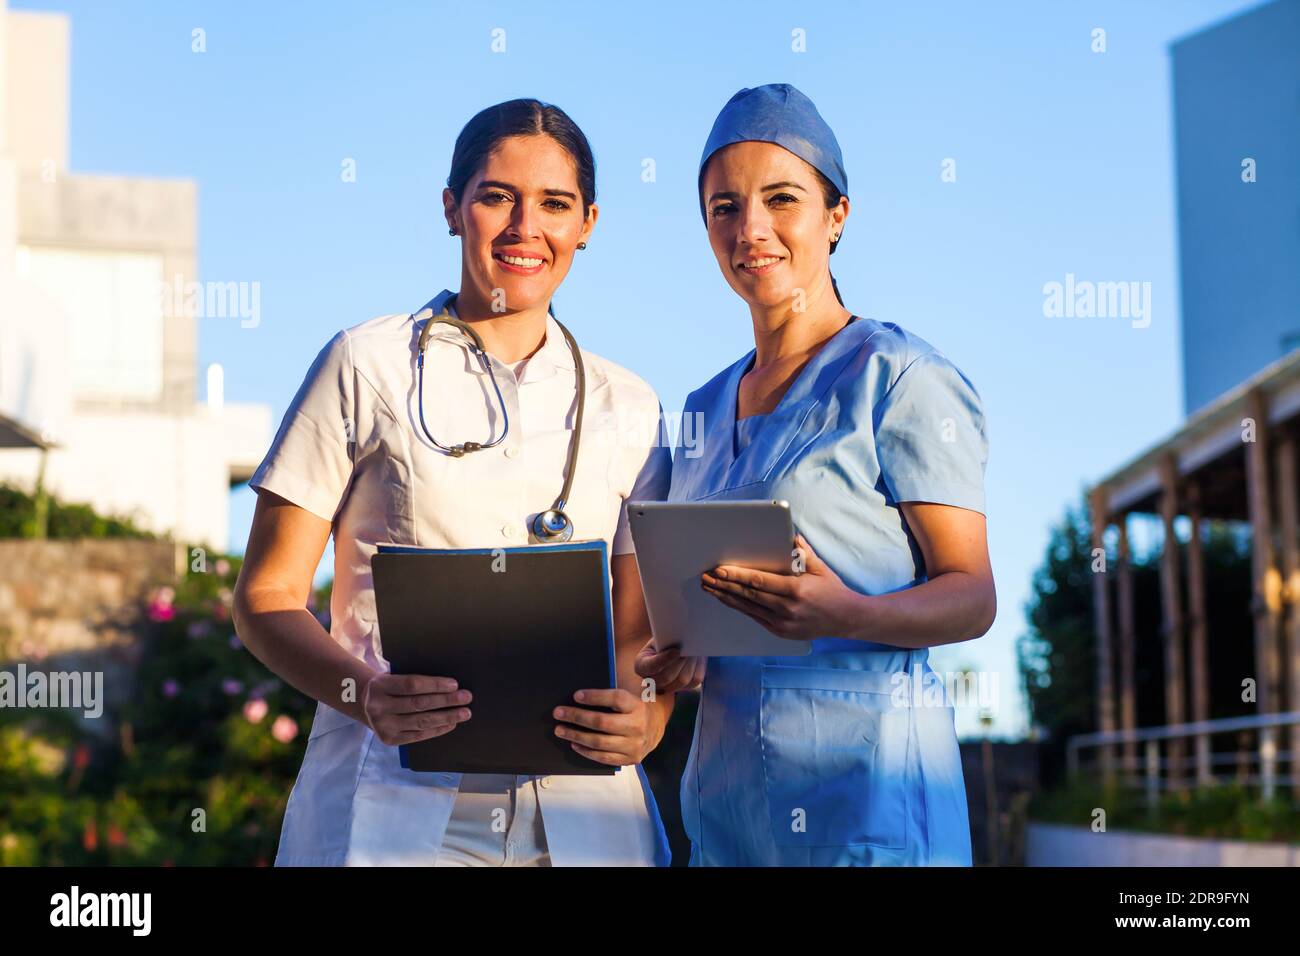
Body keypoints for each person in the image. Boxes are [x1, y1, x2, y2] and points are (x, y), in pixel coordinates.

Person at [233, 98, 673, 866]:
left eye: (555, 205)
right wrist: (362, 696)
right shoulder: (363, 365)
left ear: (588, 225)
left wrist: (652, 715)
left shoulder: (628, 405)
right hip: (388, 805)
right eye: (496, 196)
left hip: (579, 818)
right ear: (451, 208)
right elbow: (264, 598)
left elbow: (639, 644)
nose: (523, 227)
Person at [636, 83, 995, 866]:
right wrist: (683, 653)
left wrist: (842, 614)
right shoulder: (697, 410)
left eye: (781, 198)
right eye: (724, 208)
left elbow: (973, 595)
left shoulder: (899, 377)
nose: (750, 229)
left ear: (837, 216)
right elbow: (698, 609)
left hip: (872, 806)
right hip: (729, 810)